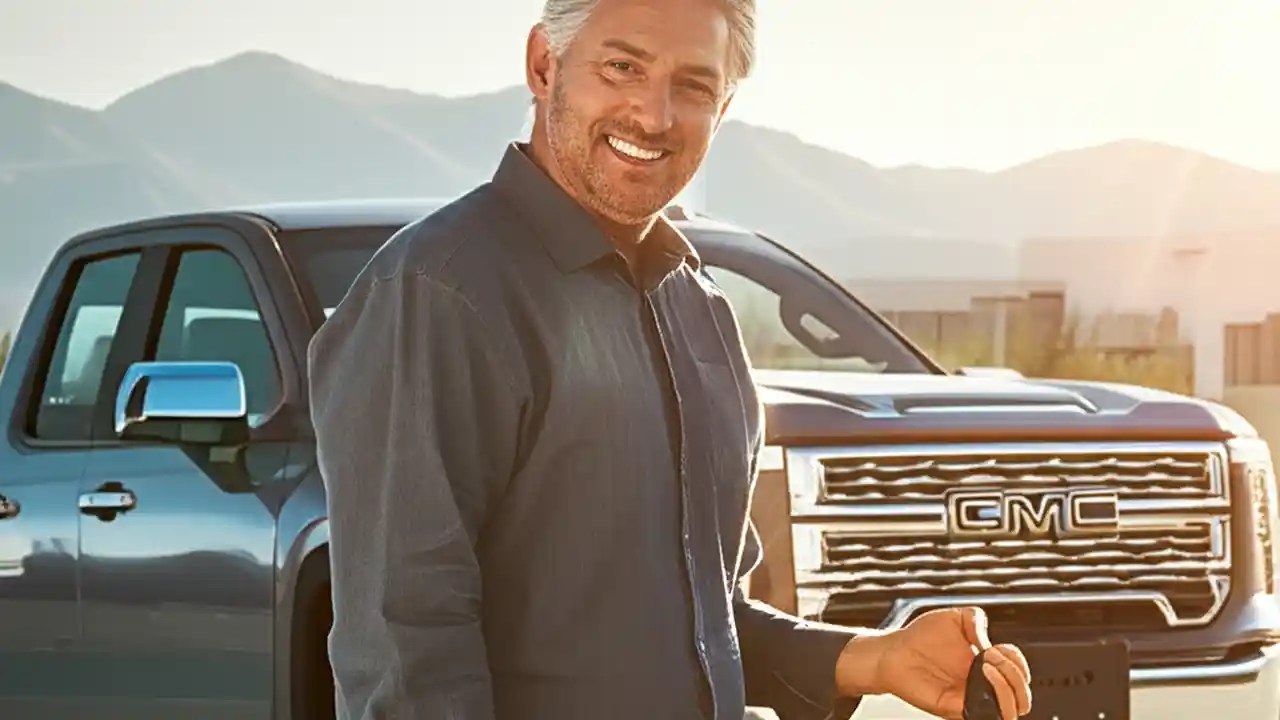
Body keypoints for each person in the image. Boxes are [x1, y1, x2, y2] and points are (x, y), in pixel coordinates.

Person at [306, 0, 1033, 718]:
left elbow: (705, 626)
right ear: (543, 64)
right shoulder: (436, 293)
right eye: (622, 66)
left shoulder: (700, 310)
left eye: (693, 86)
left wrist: (872, 658)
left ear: (724, 106)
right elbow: (404, 657)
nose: (653, 117)